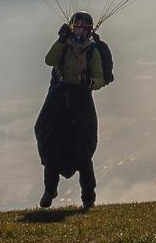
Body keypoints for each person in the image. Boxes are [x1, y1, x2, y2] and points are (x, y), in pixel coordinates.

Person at [34, 11, 111, 210]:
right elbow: (49, 60)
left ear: (89, 31)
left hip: (81, 100)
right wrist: (61, 40)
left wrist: (90, 82)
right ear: (71, 28)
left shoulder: (92, 51)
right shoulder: (64, 46)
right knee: (51, 144)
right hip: (59, 98)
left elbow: (101, 78)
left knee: (82, 151)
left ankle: (88, 197)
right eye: (77, 28)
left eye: (84, 29)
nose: (80, 32)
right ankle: (49, 190)